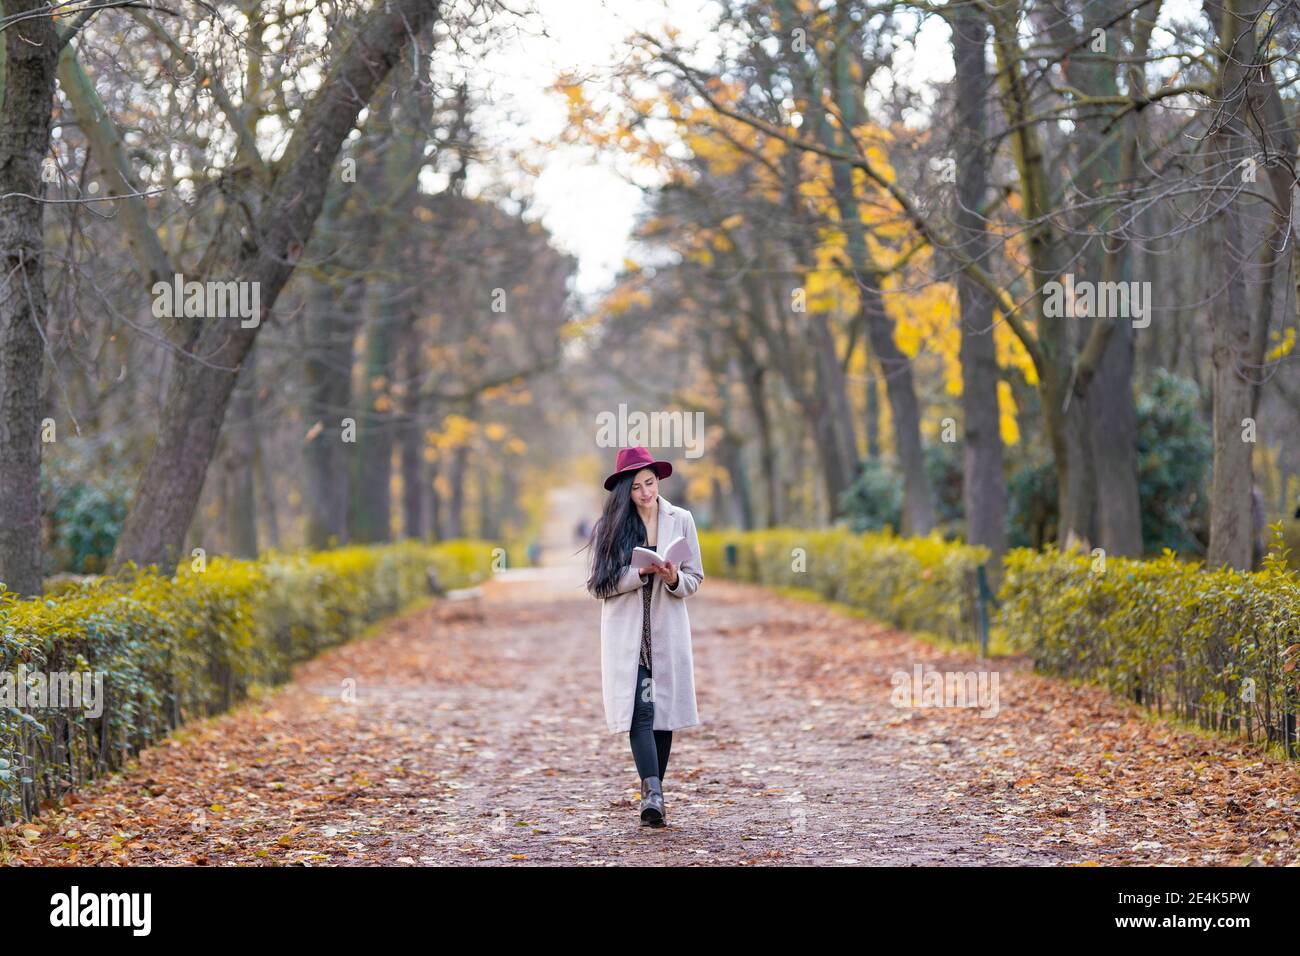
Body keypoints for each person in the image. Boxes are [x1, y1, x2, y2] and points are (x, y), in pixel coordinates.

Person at [581, 445, 703, 828]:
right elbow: (598, 587)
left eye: (649, 483)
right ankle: (651, 792)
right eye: (636, 487)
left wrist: (672, 578)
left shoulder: (681, 519)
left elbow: (694, 578)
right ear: (624, 491)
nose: (646, 493)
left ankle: (654, 795)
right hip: (629, 638)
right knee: (641, 711)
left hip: (666, 634)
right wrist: (640, 574)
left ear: (658, 480)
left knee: (662, 715)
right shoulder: (611, 527)